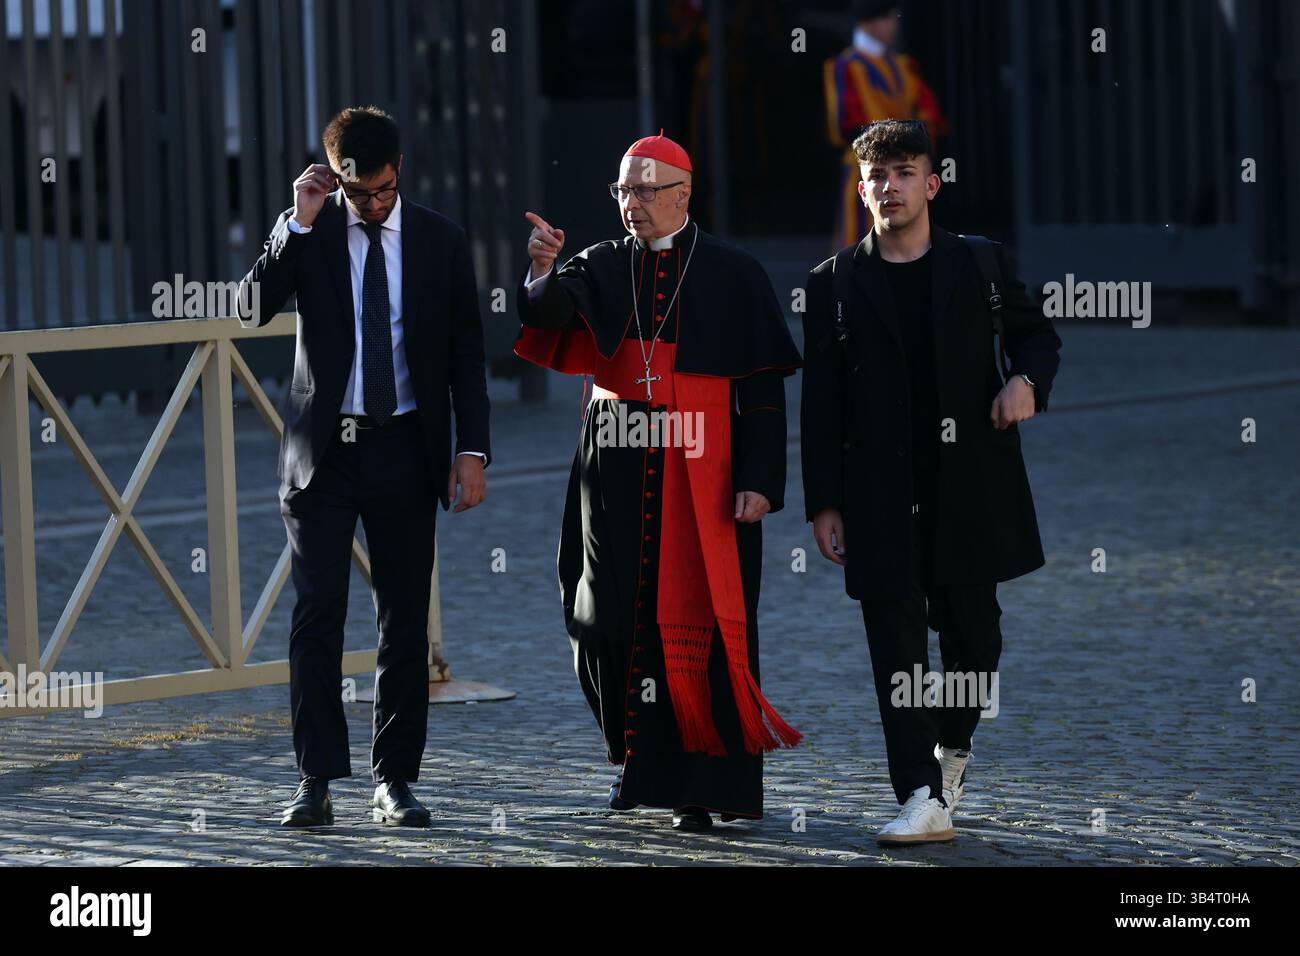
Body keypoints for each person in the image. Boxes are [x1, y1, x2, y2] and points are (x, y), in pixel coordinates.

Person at [514, 132, 802, 831]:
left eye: (645, 190)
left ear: (683, 193)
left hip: (705, 475)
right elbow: (549, 313)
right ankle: (634, 757)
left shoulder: (734, 273)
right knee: (603, 614)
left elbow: (762, 390)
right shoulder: (601, 262)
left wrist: (763, 480)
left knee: (696, 621)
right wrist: (543, 270)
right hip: (611, 471)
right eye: (622, 190)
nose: (631, 203)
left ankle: (699, 786)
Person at [800, 119, 1061, 844]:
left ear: (932, 183)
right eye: (877, 176)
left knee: (976, 639)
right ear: (862, 189)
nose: (890, 187)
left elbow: (1038, 336)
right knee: (895, 646)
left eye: (904, 172)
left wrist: (1027, 382)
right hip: (876, 492)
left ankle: (952, 750)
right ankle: (919, 792)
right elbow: (820, 400)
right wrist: (824, 500)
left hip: (970, 484)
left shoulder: (980, 263)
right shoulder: (833, 282)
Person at [237, 106, 491, 828]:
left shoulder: (441, 240)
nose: (373, 206)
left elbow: (468, 353)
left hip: (405, 449)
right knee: (317, 615)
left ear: (399, 170)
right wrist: (297, 220)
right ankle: (314, 781)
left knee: (403, 621)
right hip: (322, 456)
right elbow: (250, 307)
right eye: (359, 193)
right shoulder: (312, 232)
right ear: (334, 177)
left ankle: (395, 780)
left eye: (382, 190)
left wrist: (471, 450)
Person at [823, 0, 946, 250]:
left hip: (907, 166)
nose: (894, 25)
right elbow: (846, 123)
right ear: (870, 21)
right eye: (889, 18)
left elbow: (928, 110)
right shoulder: (845, 67)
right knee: (859, 245)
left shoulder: (903, 65)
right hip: (867, 168)